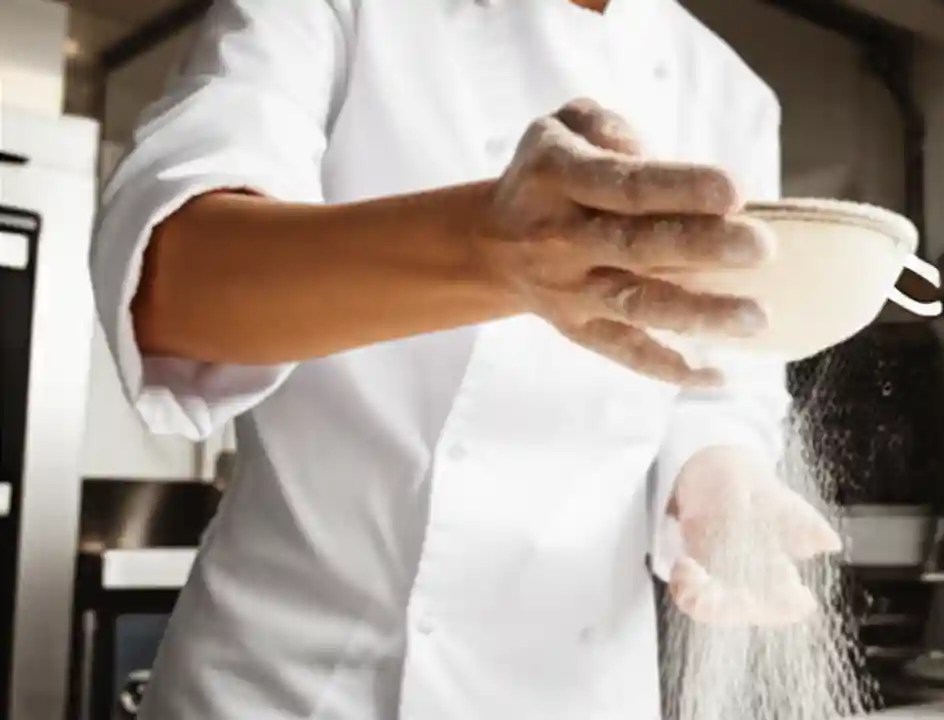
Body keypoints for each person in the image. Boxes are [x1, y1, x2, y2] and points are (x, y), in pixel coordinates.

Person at [91, 1, 842, 718]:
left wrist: (720, 476)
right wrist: (487, 249)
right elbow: (170, 291)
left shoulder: (729, 93)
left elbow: (721, 383)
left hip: (573, 691)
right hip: (295, 684)